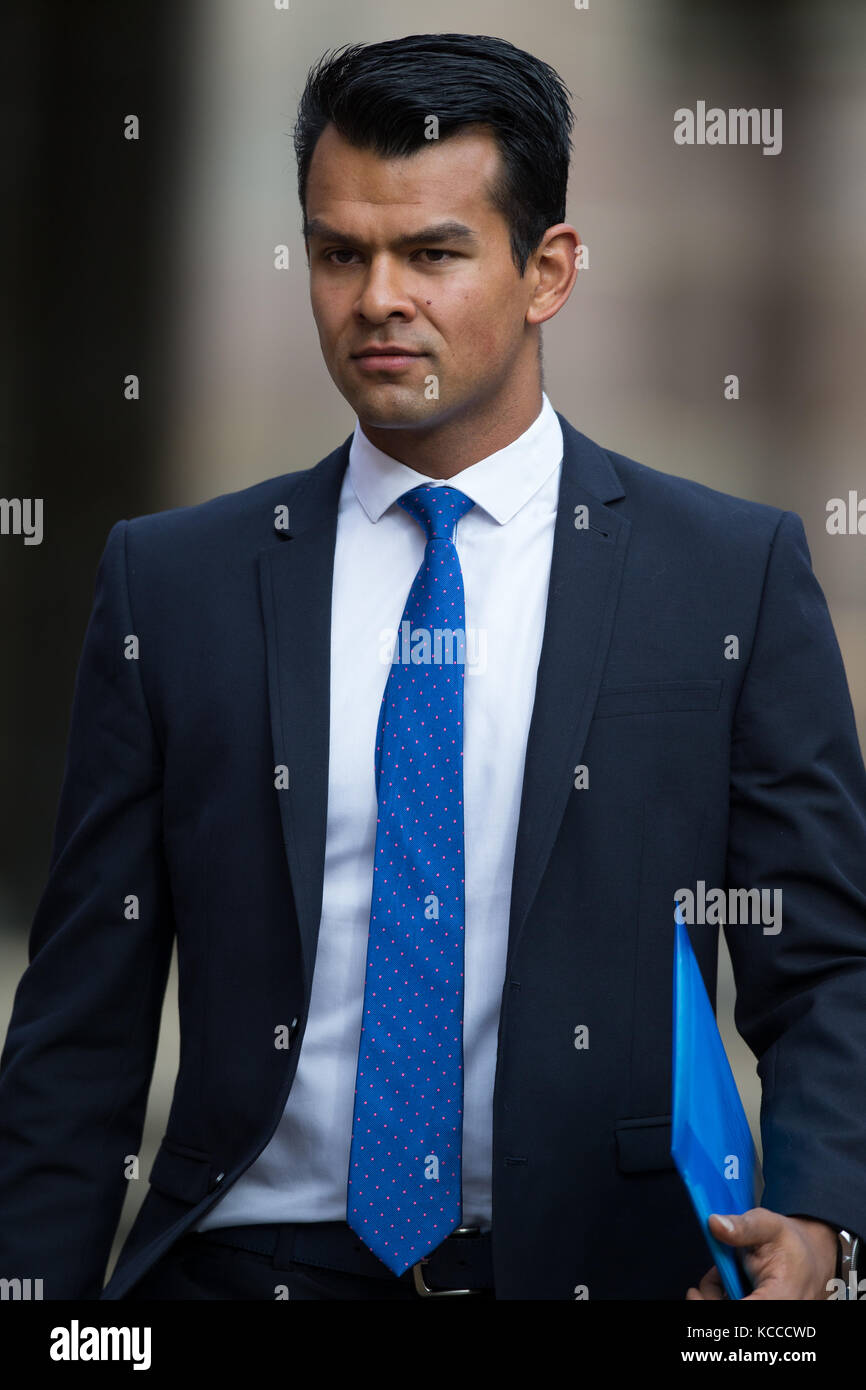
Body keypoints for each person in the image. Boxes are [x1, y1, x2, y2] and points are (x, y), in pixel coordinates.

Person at [1, 32, 864, 1302]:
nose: (377, 298)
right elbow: (83, 1014)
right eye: (341, 252)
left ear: (547, 270)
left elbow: (824, 958)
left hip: (601, 1271)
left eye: (434, 252)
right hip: (249, 1265)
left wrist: (818, 1218)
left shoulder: (725, 576)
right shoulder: (173, 585)